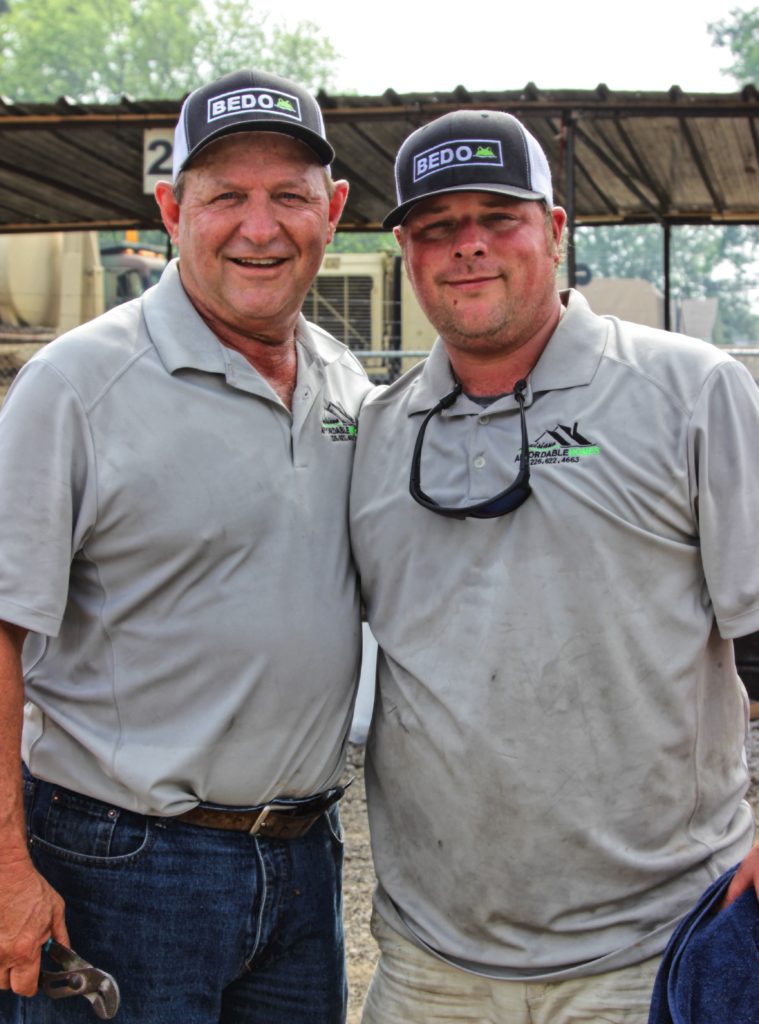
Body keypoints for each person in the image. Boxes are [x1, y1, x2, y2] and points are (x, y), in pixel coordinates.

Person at [349, 109, 759, 1024]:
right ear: (409, 252)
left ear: (556, 230)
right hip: (428, 961)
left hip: (649, 946)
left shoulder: (690, 392)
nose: (468, 247)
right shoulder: (375, 431)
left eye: (499, 218)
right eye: (436, 227)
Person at [0, 68, 372, 1023]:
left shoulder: (348, 387)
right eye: (224, 197)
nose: (260, 227)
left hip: (303, 857)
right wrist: (4, 868)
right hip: (119, 866)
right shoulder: (77, 386)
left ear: (331, 212)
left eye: (288, 195)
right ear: (171, 209)